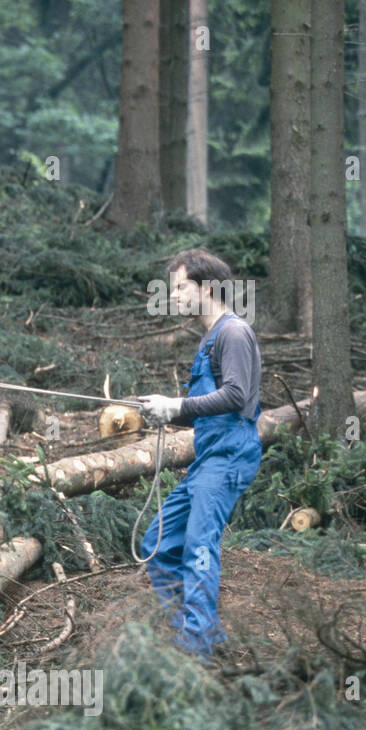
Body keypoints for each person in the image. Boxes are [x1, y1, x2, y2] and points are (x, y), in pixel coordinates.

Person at [136, 249, 262, 662]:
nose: (172, 297)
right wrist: (164, 412)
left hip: (231, 455)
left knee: (199, 546)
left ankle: (195, 652)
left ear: (206, 288)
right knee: (157, 542)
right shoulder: (208, 339)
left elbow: (237, 396)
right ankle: (199, 633)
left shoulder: (233, 333)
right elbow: (204, 410)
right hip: (207, 458)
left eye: (179, 288)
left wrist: (176, 406)